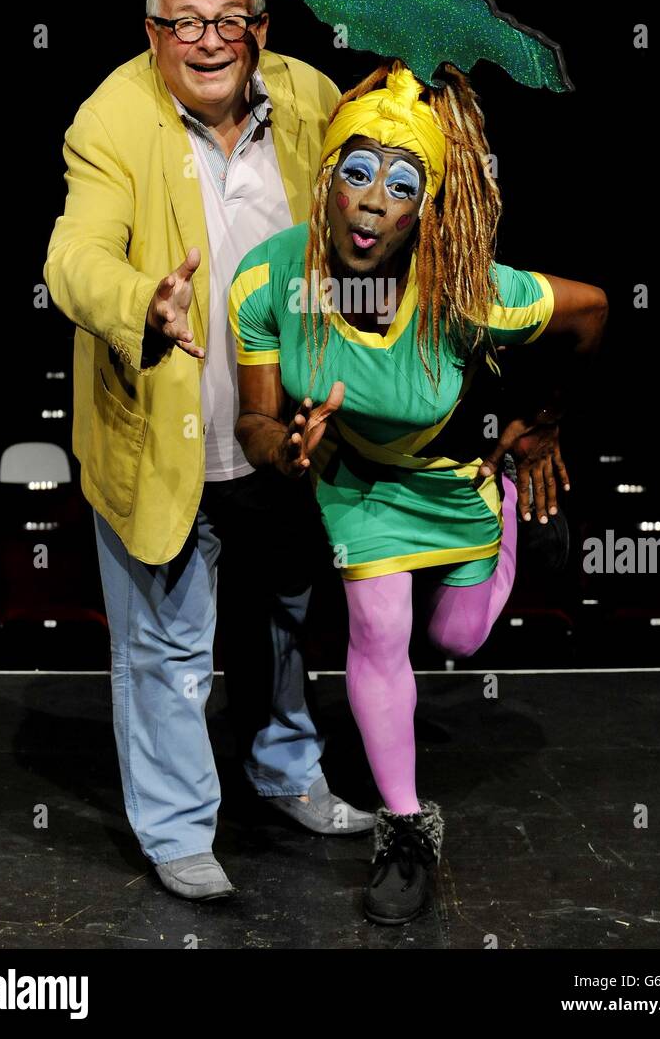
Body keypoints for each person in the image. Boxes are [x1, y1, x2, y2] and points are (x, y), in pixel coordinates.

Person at [229, 59, 608, 924]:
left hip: (448, 473)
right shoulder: (267, 280)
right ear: (326, 179)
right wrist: (282, 450)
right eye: (355, 172)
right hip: (355, 476)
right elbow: (254, 422)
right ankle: (404, 828)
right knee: (376, 626)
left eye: (401, 184)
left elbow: (592, 310)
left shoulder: (467, 290)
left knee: (456, 638)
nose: (371, 202)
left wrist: (543, 425)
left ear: (427, 204)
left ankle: (504, 517)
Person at [44, 0, 375, 903]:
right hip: (160, 431)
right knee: (166, 642)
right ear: (154, 35)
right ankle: (180, 829)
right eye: (185, 23)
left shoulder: (309, 98)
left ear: (258, 29)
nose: (210, 40)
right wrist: (143, 299)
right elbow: (73, 255)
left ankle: (286, 774)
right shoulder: (111, 118)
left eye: (230, 19)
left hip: (279, 431)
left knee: (281, 618)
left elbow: (372, 213)